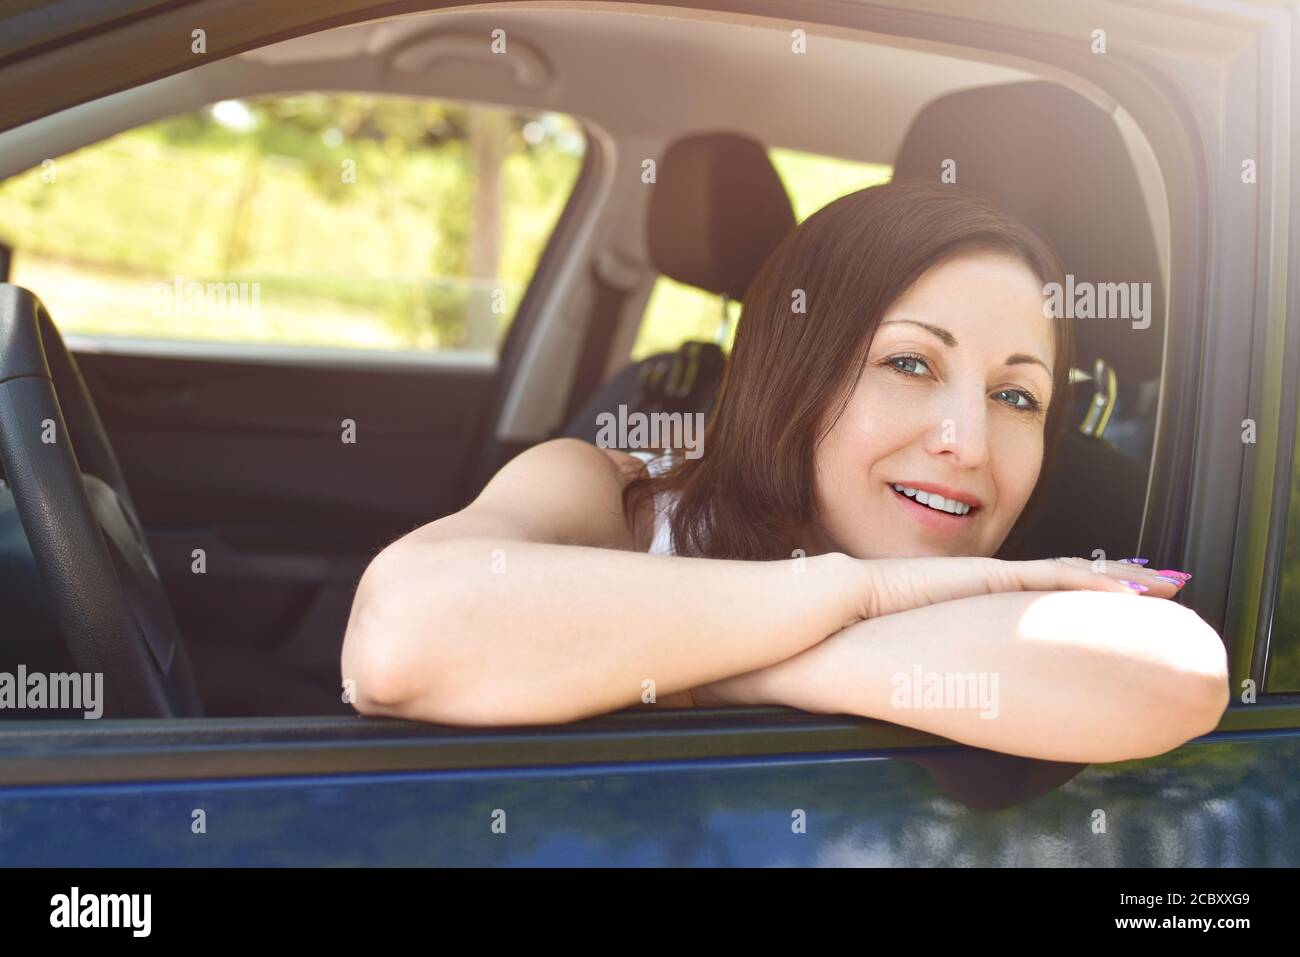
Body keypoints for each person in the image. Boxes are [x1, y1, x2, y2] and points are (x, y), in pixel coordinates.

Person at [339, 181, 1228, 764]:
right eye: (910, 364)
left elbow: (1181, 671)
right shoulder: (606, 494)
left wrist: (721, 669)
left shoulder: (1018, 565)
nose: (969, 440)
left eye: (1017, 396)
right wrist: (858, 596)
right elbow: (395, 639)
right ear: (791, 366)